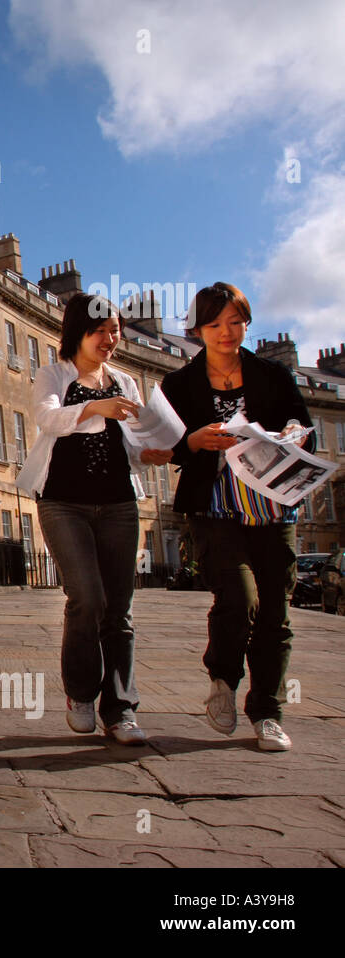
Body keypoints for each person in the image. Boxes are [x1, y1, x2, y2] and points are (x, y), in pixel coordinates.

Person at [161, 283, 314, 751]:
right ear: (199, 329)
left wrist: (292, 432)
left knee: (276, 612)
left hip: (272, 504)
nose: (226, 332)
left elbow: (300, 423)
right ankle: (224, 679)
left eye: (235, 322)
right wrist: (193, 441)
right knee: (238, 597)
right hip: (216, 505)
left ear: (247, 323)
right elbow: (164, 445)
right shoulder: (180, 384)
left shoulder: (273, 375)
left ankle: (267, 711)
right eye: (214, 324)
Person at [16, 293, 173, 744]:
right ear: (78, 333)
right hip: (64, 502)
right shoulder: (54, 374)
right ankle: (82, 693)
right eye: (100, 331)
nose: (109, 339)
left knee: (119, 608)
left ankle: (121, 710)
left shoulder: (125, 380)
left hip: (119, 504)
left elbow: (132, 448)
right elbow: (46, 418)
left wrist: (150, 454)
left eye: (114, 331)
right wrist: (93, 407)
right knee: (86, 595)